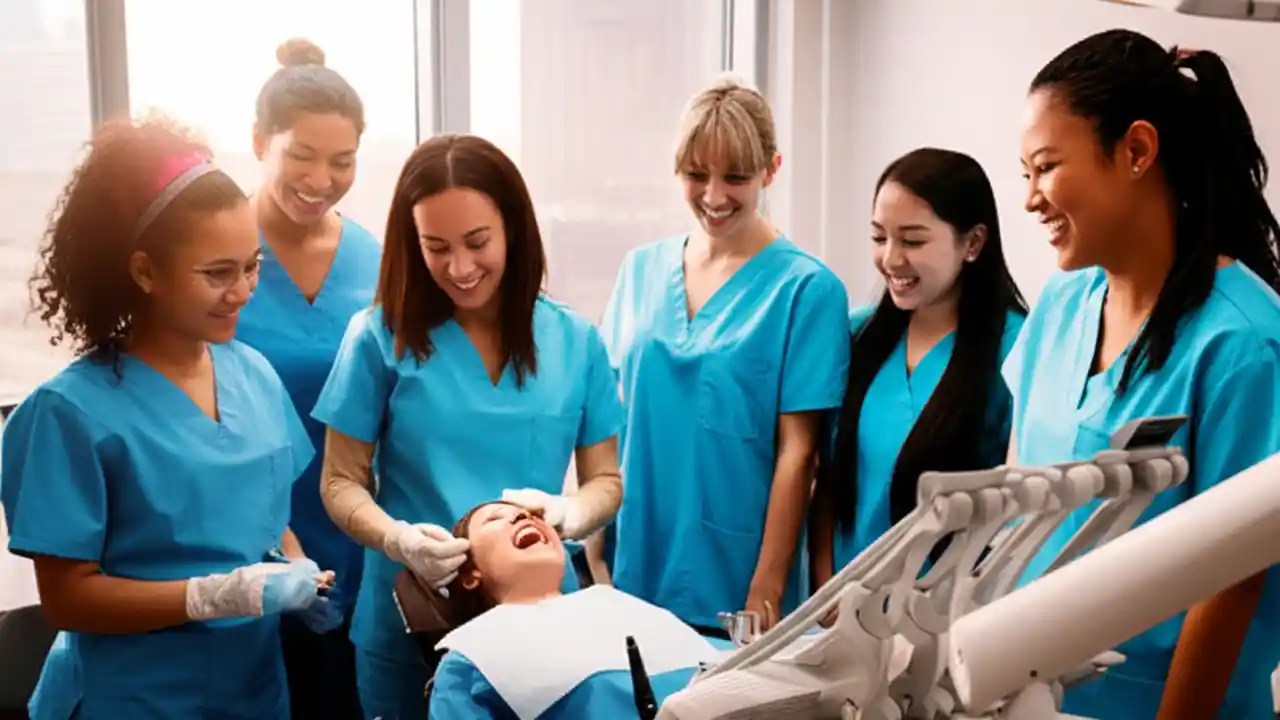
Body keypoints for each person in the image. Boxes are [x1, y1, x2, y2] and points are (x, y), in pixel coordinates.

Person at [0, 117, 339, 719]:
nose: (243, 291)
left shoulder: (254, 375)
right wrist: (212, 596)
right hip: (132, 699)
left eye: (252, 265)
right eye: (218, 273)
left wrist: (296, 569)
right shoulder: (69, 414)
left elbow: (266, 518)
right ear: (145, 271)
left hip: (252, 693)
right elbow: (68, 598)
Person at [1009, 28, 1280, 719]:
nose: (1031, 198)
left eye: (1046, 167)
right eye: (1024, 174)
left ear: (1135, 151)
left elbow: (1233, 579)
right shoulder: (1060, 307)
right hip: (1031, 693)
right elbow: (1015, 498)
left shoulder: (1243, 340)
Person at [311, 133, 626, 720]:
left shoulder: (575, 340)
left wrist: (570, 514)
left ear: (513, 229)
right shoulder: (379, 337)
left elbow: (606, 480)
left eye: (478, 242)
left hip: (542, 629)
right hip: (411, 627)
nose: (459, 268)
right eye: (436, 248)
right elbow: (339, 481)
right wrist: (398, 540)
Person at [601, 74, 851, 636]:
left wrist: (766, 587)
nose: (714, 197)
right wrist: (594, 547)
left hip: (735, 576)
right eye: (696, 175)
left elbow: (799, 454)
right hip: (633, 561)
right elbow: (608, 420)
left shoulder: (807, 290)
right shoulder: (640, 270)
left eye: (736, 177)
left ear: (771, 169)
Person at [234, 38, 382, 719]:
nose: (322, 179)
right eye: (302, 155)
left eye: (342, 161)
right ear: (259, 141)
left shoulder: (374, 258)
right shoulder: (217, 251)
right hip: (238, 543)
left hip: (355, 541)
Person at [811, 148, 1027, 585]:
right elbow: (828, 481)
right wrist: (826, 587)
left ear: (973, 243)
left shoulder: (1016, 348)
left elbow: (1016, 514)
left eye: (912, 241)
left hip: (946, 611)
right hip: (836, 602)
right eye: (879, 238)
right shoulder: (857, 335)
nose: (891, 259)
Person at [427, 501, 726, 719]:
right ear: (470, 574)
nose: (521, 515)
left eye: (531, 514)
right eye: (494, 519)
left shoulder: (619, 606)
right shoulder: (472, 658)